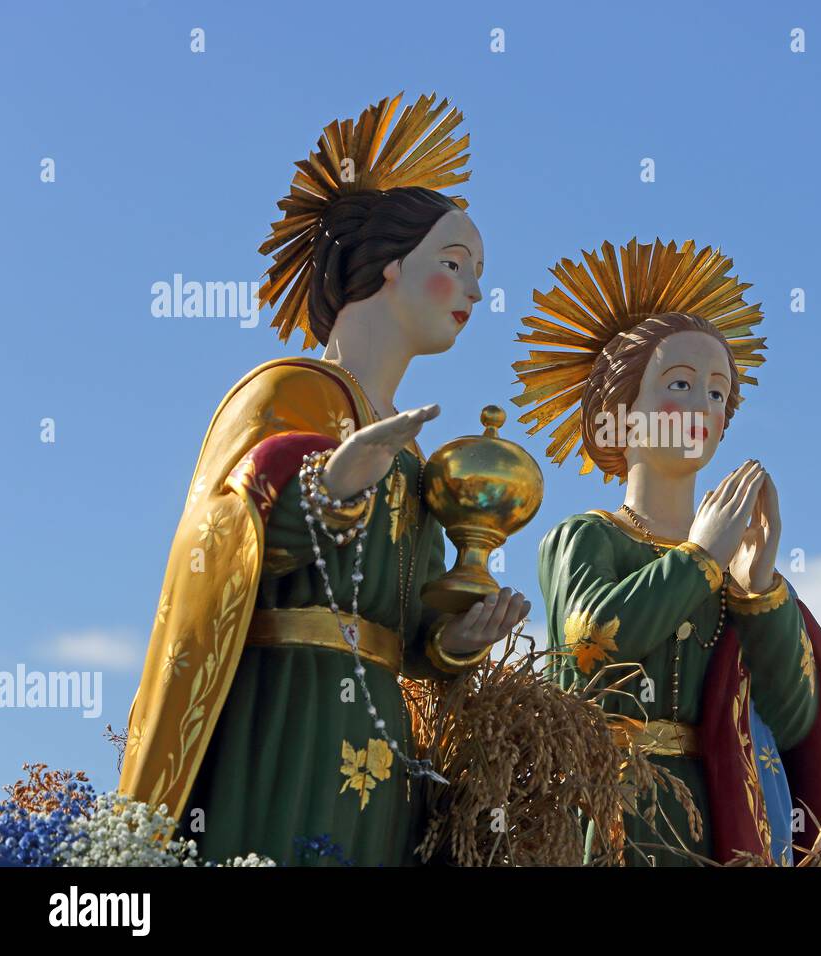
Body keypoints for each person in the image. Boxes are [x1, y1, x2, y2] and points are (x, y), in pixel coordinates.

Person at [119, 93, 530, 866]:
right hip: (281, 704)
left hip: (378, 723)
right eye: (455, 265)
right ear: (389, 266)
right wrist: (325, 490)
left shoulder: (413, 455)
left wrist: (454, 642)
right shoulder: (287, 392)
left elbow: (408, 627)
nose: (476, 292)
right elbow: (212, 543)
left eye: (479, 273)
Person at [514, 238, 821, 865]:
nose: (701, 407)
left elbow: (794, 720)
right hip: (605, 808)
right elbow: (590, 641)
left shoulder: (733, 572)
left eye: (717, 394)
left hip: (713, 814)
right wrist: (698, 557)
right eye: (681, 383)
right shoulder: (587, 536)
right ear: (622, 409)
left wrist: (758, 589)